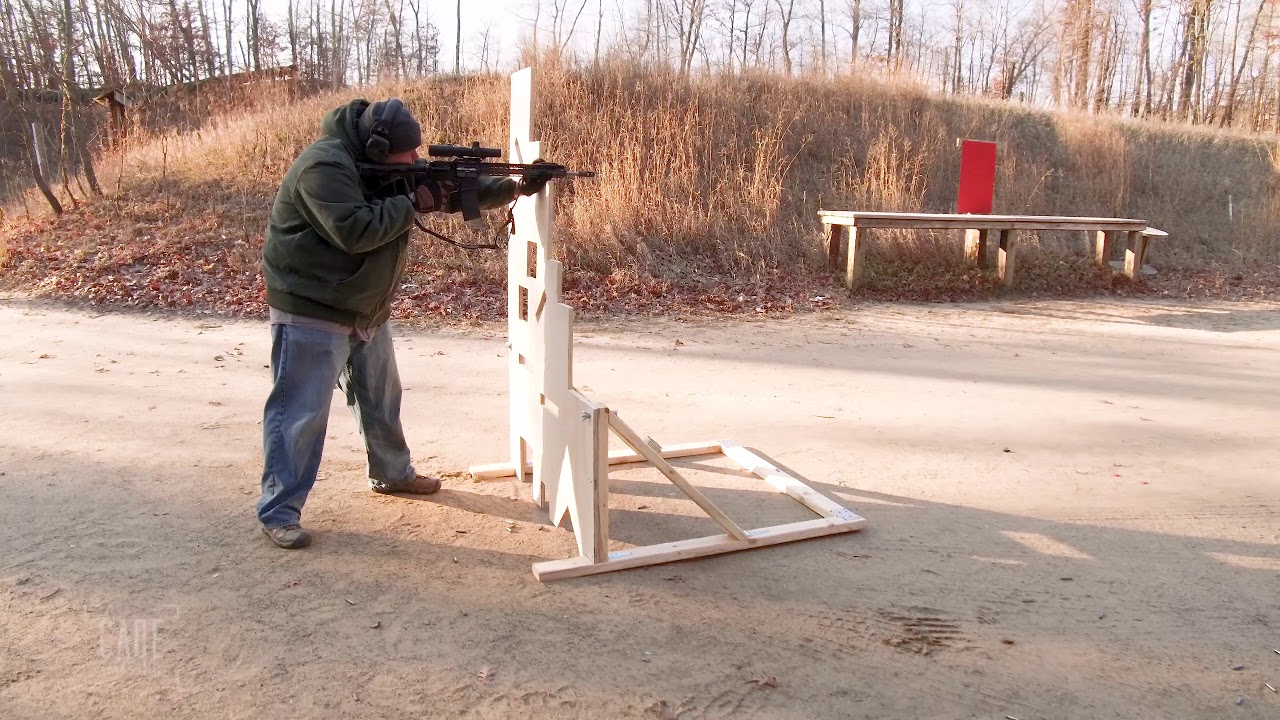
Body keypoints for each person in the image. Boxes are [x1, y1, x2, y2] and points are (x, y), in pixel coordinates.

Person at [257, 98, 549, 549]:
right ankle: (279, 511)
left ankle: (393, 475)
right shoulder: (324, 165)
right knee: (300, 415)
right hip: (312, 306)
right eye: (407, 154)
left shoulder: (379, 165)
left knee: (380, 398)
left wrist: (515, 187)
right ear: (376, 147)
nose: (415, 161)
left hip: (364, 305)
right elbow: (353, 231)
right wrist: (413, 202)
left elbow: (450, 194)